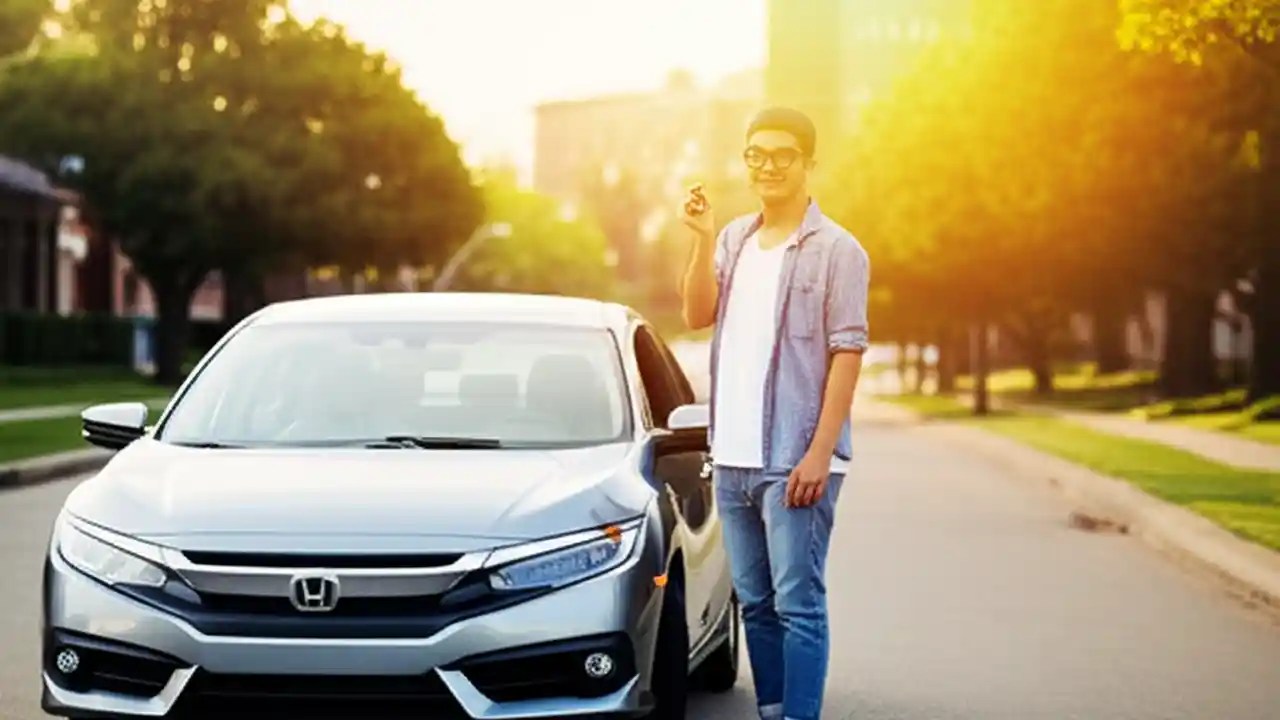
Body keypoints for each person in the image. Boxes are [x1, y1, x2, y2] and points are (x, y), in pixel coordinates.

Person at [679, 106, 870, 720]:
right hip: (731, 460)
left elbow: (847, 353)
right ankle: (774, 710)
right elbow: (695, 314)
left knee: (799, 606)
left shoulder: (840, 251)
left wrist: (819, 453)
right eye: (756, 154)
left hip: (795, 461)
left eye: (783, 155)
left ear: (809, 163)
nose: (768, 166)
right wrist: (703, 237)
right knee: (755, 604)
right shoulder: (733, 238)